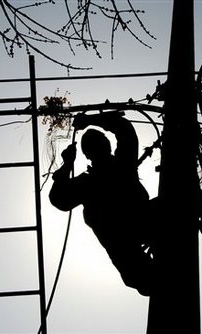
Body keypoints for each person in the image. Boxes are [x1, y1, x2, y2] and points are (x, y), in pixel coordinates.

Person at [49, 111, 154, 296]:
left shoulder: (104, 174)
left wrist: (67, 165)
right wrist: (67, 165)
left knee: (182, 201)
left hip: (140, 242)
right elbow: (59, 199)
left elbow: (125, 130)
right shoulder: (108, 172)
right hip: (133, 259)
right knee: (147, 280)